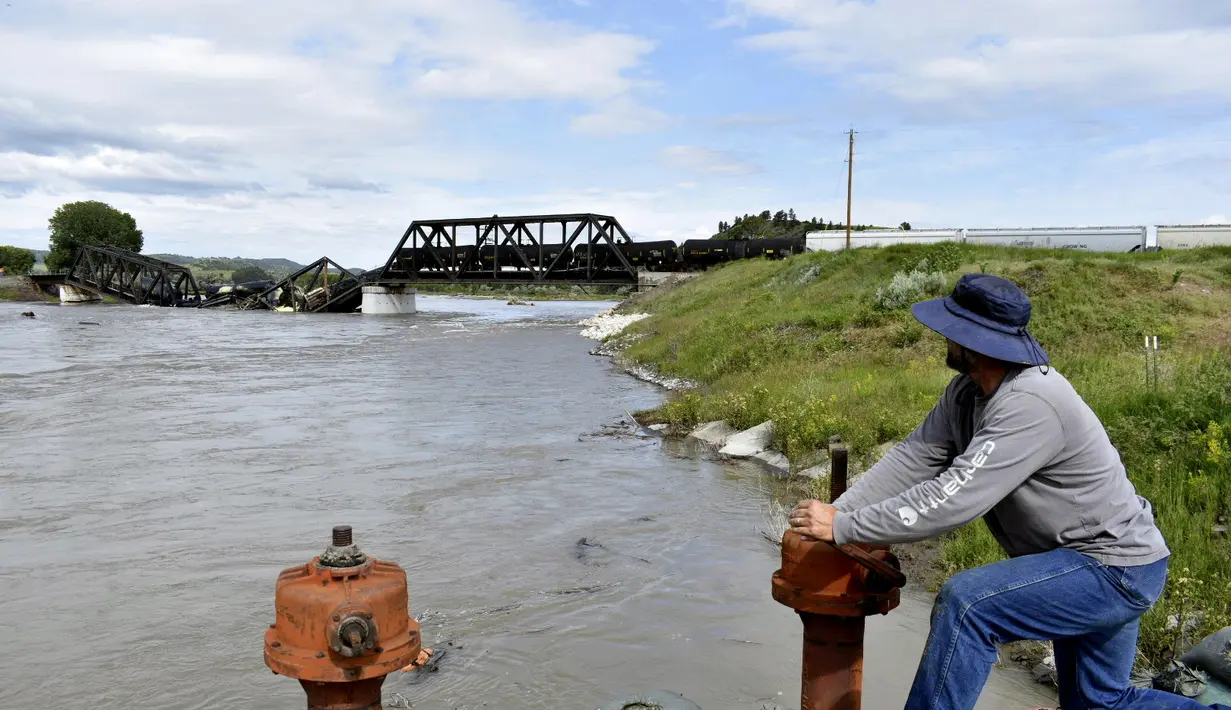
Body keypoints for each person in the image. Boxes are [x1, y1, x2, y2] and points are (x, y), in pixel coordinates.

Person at [787, 273, 1227, 710]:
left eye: (950, 330)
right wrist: (834, 514)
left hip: (1112, 568)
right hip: (1089, 561)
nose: (943, 338)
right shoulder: (966, 392)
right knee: (1101, 702)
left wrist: (846, 526)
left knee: (969, 604)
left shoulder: (1030, 403)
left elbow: (953, 499)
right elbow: (914, 458)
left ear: (972, 340)